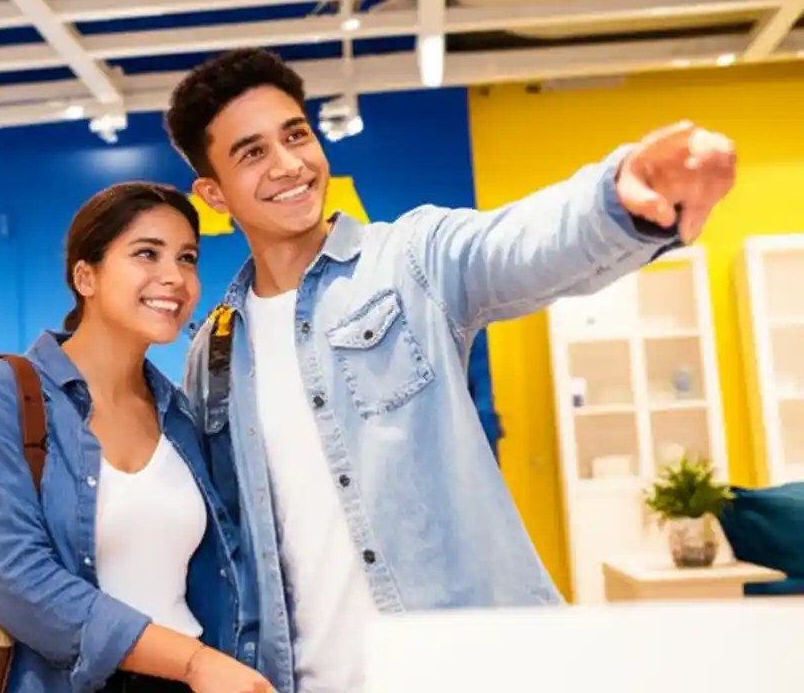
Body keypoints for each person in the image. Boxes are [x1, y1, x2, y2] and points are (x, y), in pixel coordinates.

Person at [166, 47, 736, 693]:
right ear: (213, 193)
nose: (290, 164)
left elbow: (519, 243)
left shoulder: (410, 259)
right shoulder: (215, 354)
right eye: (252, 152)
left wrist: (616, 201)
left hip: (470, 671)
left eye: (296, 135)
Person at [0, 182, 269, 693]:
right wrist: (190, 662)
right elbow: (17, 579)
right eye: (147, 253)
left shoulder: (182, 416)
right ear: (86, 276)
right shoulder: (3, 394)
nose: (174, 277)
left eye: (187, 258)